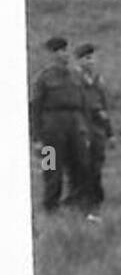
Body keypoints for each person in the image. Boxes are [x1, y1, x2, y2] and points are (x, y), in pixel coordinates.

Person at [30, 37, 91, 214]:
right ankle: (51, 205)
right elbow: (35, 108)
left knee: (80, 164)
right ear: (51, 54)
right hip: (51, 126)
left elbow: (83, 103)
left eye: (65, 50)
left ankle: (76, 202)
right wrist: (36, 138)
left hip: (74, 122)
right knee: (51, 168)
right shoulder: (43, 77)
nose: (63, 55)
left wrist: (85, 128)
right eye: (58, 51)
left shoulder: (75, 75)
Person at [75, 43, 113, 211]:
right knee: (81, 164)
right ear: (79, 60)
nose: (90, 61)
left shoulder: (98, 79)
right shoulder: (74, 79)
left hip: (97, 126)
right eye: (86, 58)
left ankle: (96, 198)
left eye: (92, 58)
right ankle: (81, 199)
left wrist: (110, 133)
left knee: (97, 163)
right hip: (81, 124)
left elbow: (104, 107)